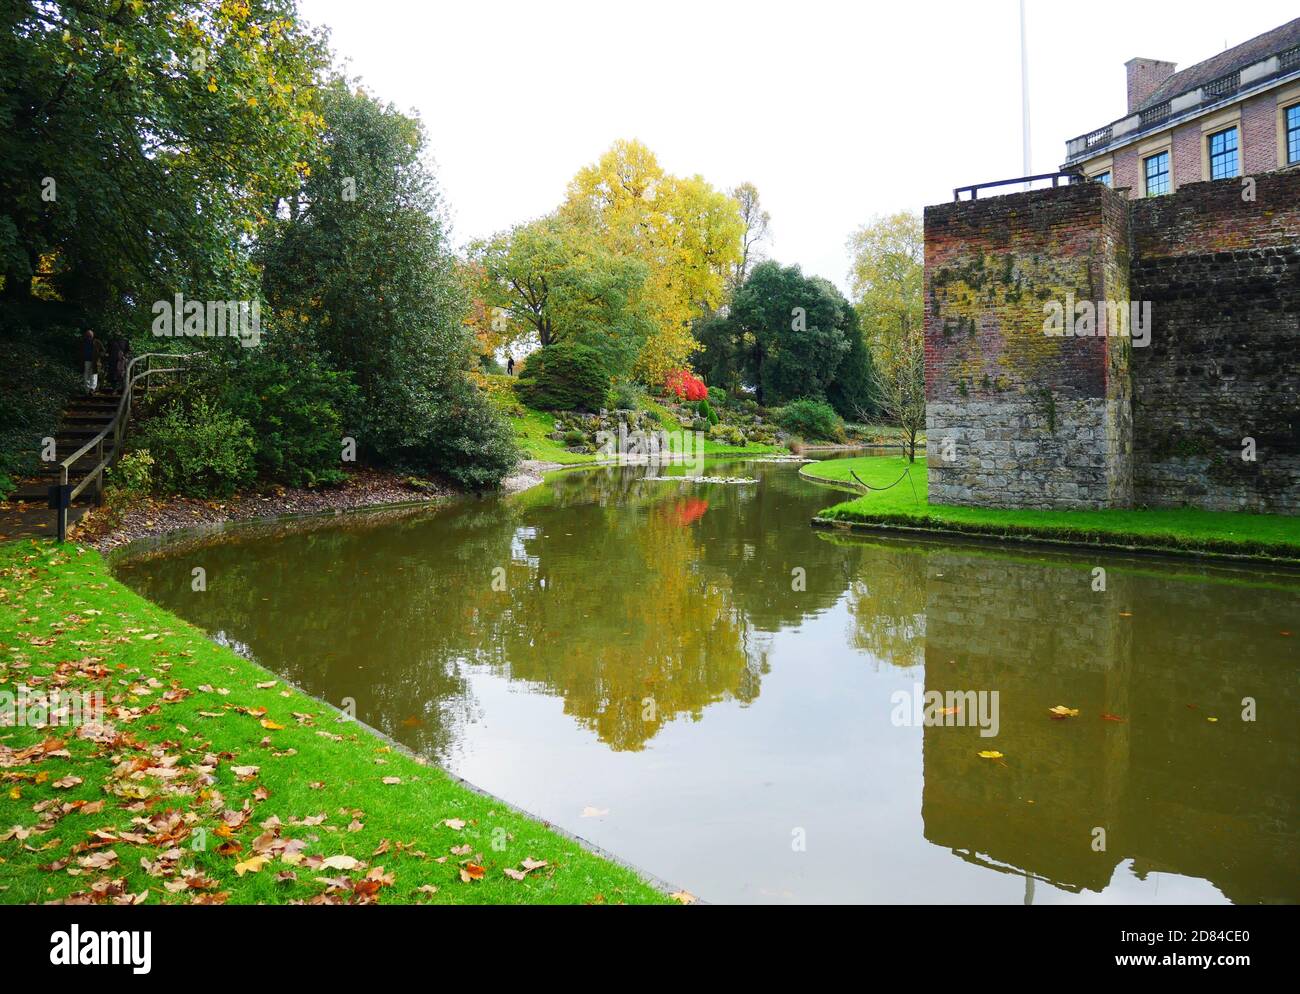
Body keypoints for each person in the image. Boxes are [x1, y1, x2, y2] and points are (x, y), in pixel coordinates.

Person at [81, 329, 98, 395]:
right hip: (86, 360)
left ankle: (92, 389)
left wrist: (99, 356)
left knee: (94, 374)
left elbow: (102, 350)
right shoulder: (83, 342)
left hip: (94, 361)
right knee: (86, 374)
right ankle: (87, 390)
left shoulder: (96, 342)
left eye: (90, 335)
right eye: (88, 335)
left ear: (93, 335)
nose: (89, 336)